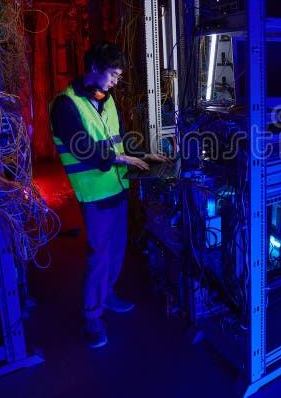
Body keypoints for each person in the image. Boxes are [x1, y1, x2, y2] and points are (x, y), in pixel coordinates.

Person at [49, 42, 167, 348]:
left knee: (116, 250)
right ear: (94, 69)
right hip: (94, 194)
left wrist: (147, 155)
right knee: (99, 256)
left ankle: (107, 294)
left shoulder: (107, 99)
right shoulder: (66, 105)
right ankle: (91, 315)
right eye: (112, 74)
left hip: (116, 188)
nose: (116, 80)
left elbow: (120, 140)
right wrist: (123, 160)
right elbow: (83, 148)